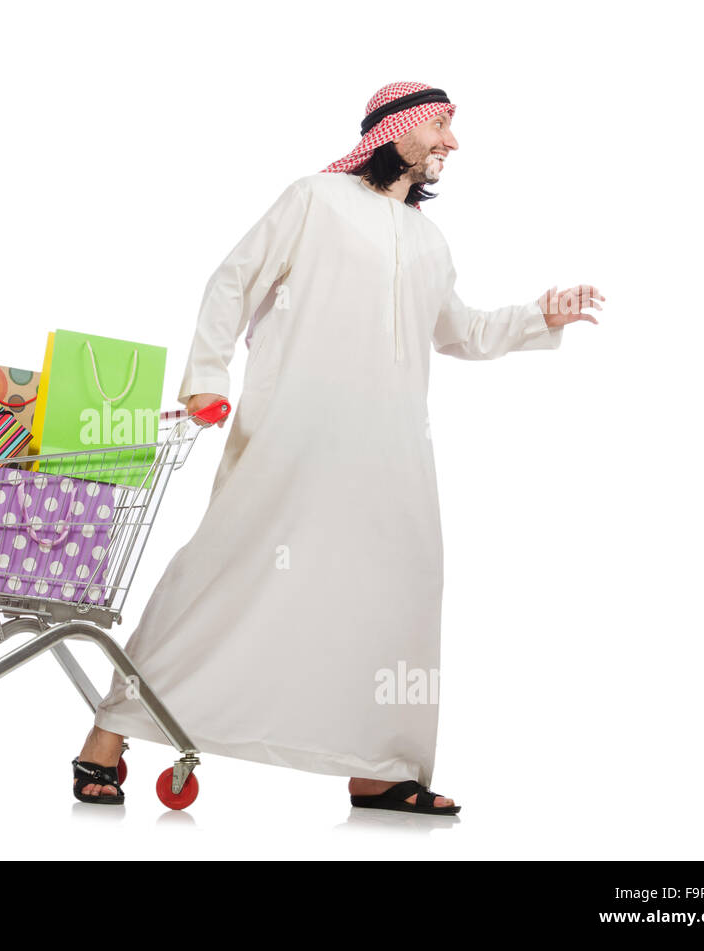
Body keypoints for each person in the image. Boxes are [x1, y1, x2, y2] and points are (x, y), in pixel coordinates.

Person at [72, 82, 603, 812]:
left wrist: (540, 315)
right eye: (442, 125)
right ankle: (110, 731)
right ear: (398, 128)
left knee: (401, 590)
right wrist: (205, 377)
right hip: (293, 431)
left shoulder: (428, 239)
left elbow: (462, 332)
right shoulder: (314, 199)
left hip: (392, 453)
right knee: (225, 571)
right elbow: (233, 281)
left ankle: (383, 765)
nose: (453, 143)